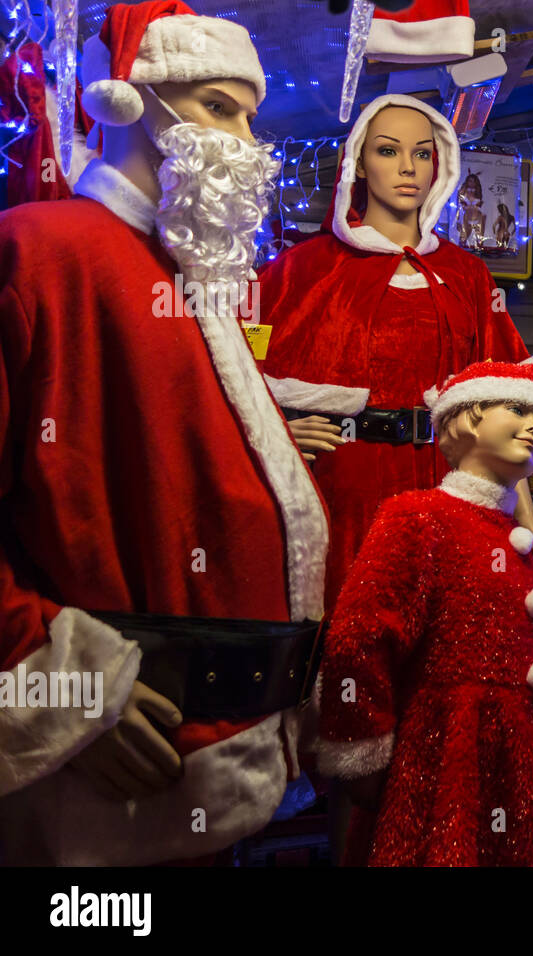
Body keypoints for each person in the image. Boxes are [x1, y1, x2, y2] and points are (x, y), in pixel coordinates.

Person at [0, 0, 327, 865]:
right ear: (131, 102)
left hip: (216, 757)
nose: (245, 141)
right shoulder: (41, 250)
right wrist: (61, 689)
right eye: (219, 107)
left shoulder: (197, 279)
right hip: (105, 769)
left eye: (252, 118)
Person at [257, 94, 533, 612]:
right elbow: (231, 372)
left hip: (446, 484)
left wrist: (526, 519)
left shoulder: (466, 275)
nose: (408, 168)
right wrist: (274, 434)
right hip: (343, 482)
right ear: (359, 162)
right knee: (347, 626)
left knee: (441, 633)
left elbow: (509, 396)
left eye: (423, 154)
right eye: (388, 151)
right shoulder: (302, 269)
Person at [315, 360, 533, 865]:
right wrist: (363, 751)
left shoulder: (517, 537)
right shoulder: (418, 516)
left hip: (523, 751)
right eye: (517, 408)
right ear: (467, 417)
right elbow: (357, 637)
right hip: (445, 752)